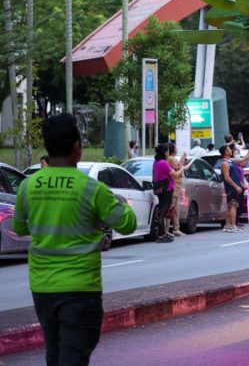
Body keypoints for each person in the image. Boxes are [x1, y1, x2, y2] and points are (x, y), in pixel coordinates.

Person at [13, 114, 137, 365]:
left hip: (42, 288)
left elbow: (19, 226)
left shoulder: (28, 186)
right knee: (73, 357)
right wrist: (120, 202)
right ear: (77, 148)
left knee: (55, 354)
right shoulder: (92, 189)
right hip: (81, 289)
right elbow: (127, 224)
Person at [218, 144, 248, 233]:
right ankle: (233, 225)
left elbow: (242, 159)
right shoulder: (224, 163)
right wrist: (236, 186)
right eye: (229, 150)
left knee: (230, 206)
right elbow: (227, 178)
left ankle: (227, 225)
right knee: (233, 206)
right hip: (231, 188)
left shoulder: (230, 160)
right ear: (226, 152)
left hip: (233, 187)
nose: (231, 151)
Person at [152, 143, 175, 243]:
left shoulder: (156, 163)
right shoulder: (163, 163)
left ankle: (162, 234)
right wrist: (183, 168)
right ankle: (161, 236)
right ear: (165, 152)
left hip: (159, 189)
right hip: (166, 189)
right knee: (163, 212)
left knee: (162, 210)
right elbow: (175, 174)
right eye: (167, 151)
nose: (168, 152)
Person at [165, 142, 187, 237]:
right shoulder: (170, 158)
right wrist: (183, 160)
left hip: (176, 187)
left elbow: (179, 166)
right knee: (171, 208)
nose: (176, 148)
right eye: (175, 147)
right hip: (173, 187)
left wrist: (182, 160)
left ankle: (176, 228)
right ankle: (166, 229)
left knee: (176, 209)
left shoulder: (172, 159)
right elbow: (178, 168)